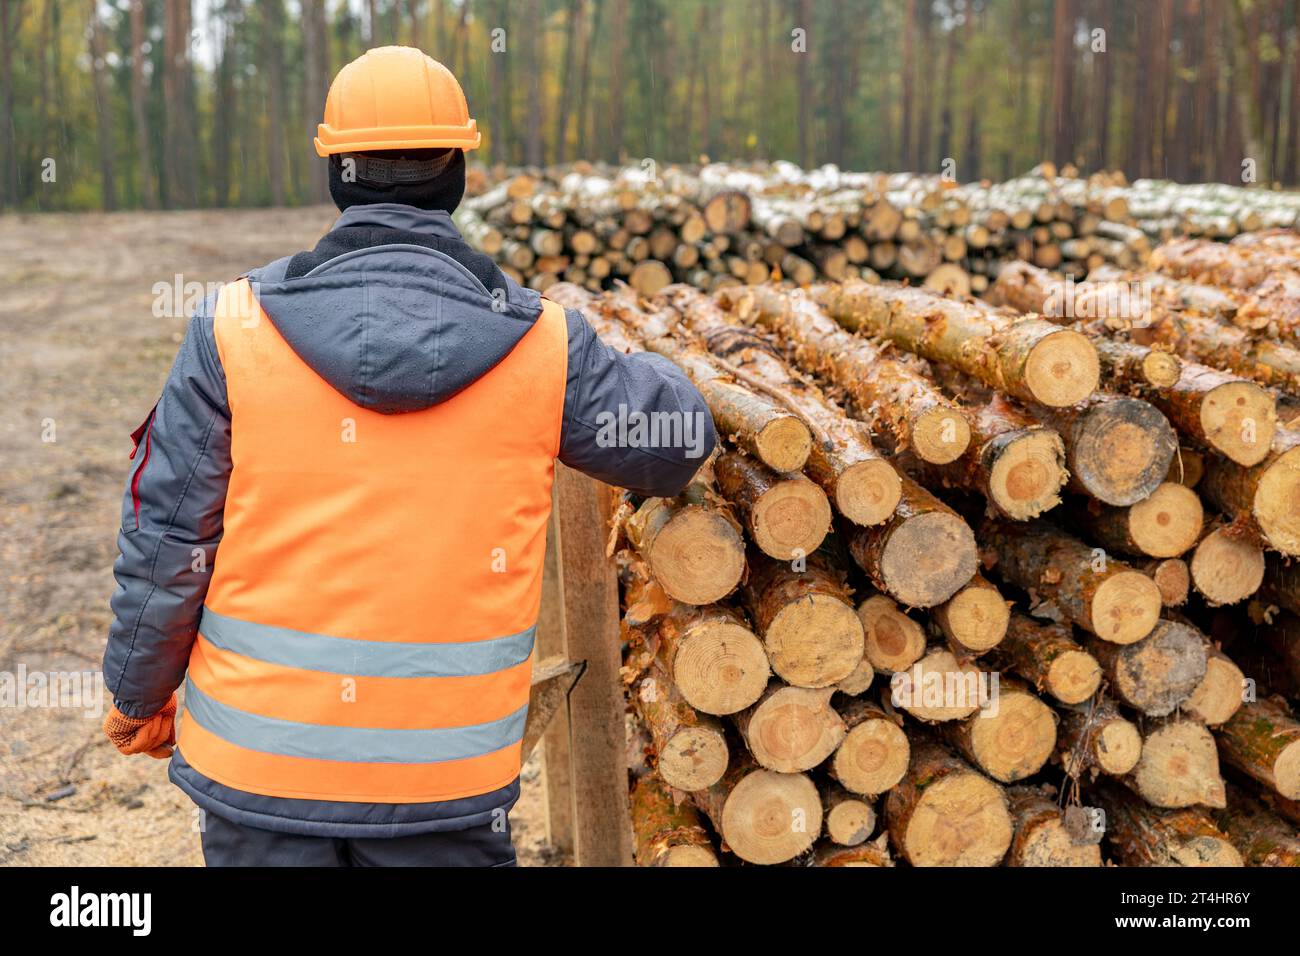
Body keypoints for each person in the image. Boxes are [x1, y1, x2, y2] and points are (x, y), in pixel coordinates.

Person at [100, 46, 714, 867]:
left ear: (335, 174)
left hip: (258, 769)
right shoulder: (541, 346)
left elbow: (168, 538)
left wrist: (139, 693)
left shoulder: (231, 328)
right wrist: (668, 366)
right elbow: (674, 446)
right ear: (456, 174)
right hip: (446, 785)